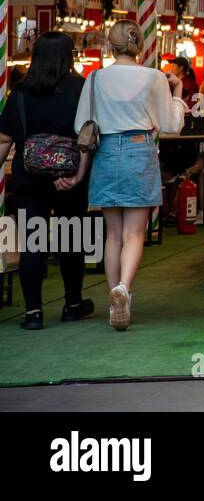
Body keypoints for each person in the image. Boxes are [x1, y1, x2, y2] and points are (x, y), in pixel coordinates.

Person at [72, 20, 187, 331]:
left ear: (111, 45)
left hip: (106, 151)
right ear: (138, 46)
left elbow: (81, 122)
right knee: (135, 234)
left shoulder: (95, 78)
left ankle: (115, 295)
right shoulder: (153, 77)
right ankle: (124, 288)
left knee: (114, 234)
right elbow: (172, 124)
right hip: (139, 148)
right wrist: (177, 92)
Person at [0, 32, 92, 330]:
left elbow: (3, 139)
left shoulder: (20, 93)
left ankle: (33, 313)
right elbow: (88, 137)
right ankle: (72, 304)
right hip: (69, 178)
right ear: (68, 56)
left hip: (30, 179)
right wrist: (78, 174)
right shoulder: (80, 88)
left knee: (32, 244)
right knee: (71, 240)